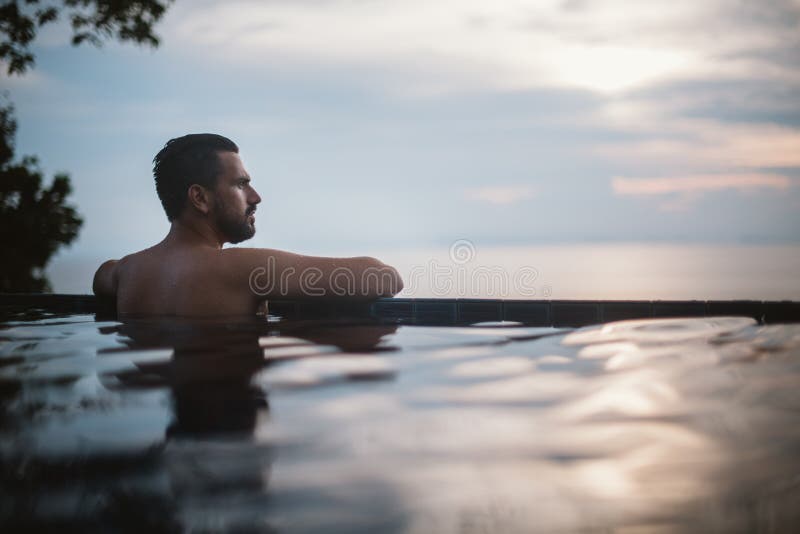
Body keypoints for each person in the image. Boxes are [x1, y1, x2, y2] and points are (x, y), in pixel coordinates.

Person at [93, 133, 403, 315]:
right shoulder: (246, 269)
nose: (256, 197)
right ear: (199, 198)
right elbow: (383, 278)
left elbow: (100, 278)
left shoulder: (123, 272)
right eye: (241, 185)